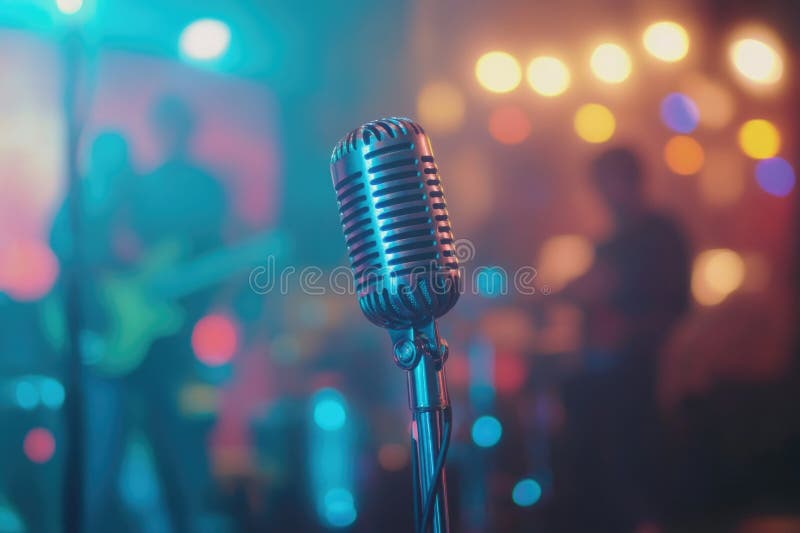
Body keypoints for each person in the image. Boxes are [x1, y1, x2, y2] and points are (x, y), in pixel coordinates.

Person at [554, 147, 690, 532]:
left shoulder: (660, 234)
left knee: (635, 459)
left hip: (651, 369)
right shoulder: (610, 243)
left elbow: (675, 304)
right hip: (612, 372)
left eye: (610, 182)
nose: (606, 193)